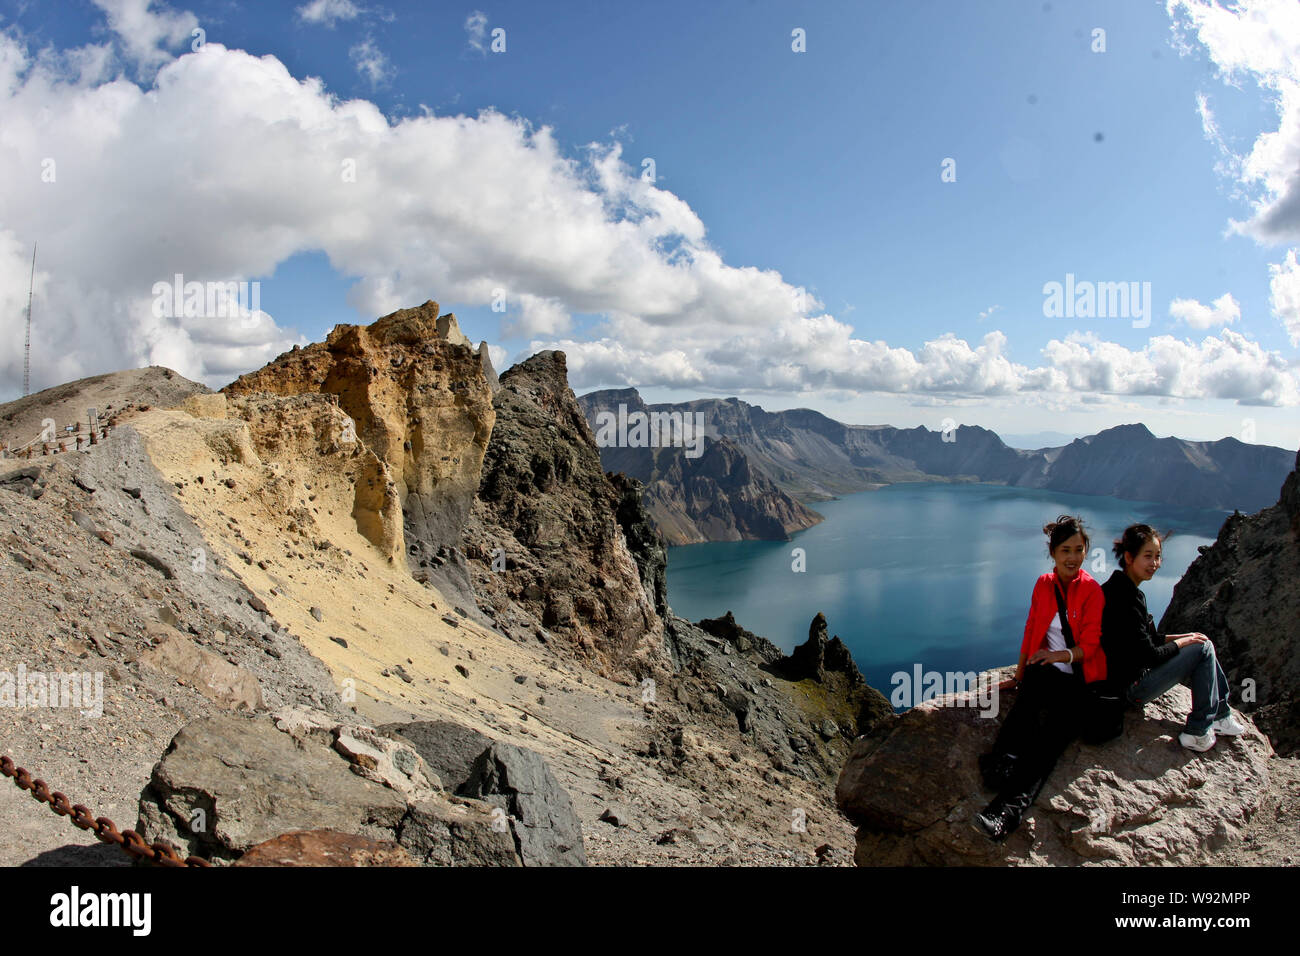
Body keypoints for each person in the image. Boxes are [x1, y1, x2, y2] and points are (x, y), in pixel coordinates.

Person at [974, 515, 1107, 841]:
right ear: (1053, 553)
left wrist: (1057, 656)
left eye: (1079, 549)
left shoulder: (1092, 592)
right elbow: (1032, 631)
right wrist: (1018, 675)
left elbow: (1090, 647)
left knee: (1046, 747)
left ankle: (1005, 814)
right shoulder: (1044, 584)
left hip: (1080, 683)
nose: (1073, 557)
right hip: (1046, 675)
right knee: (1024, 707)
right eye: (1066, 550)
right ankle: (1002, 761)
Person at [1099, 524, 1246, 752]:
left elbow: (1144, 639)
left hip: (1124, 682)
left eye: (1158, 557)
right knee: (1201, 648)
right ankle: (1198, 730)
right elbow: (1149, 657)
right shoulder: (1125, 598)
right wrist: (1183, 643)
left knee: (1200, 641)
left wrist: (1181, 636)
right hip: (1130, 690)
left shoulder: (1120, 588)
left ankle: (1220, 714)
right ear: (1129, 557)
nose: (1155, 563)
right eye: (1148, 556)